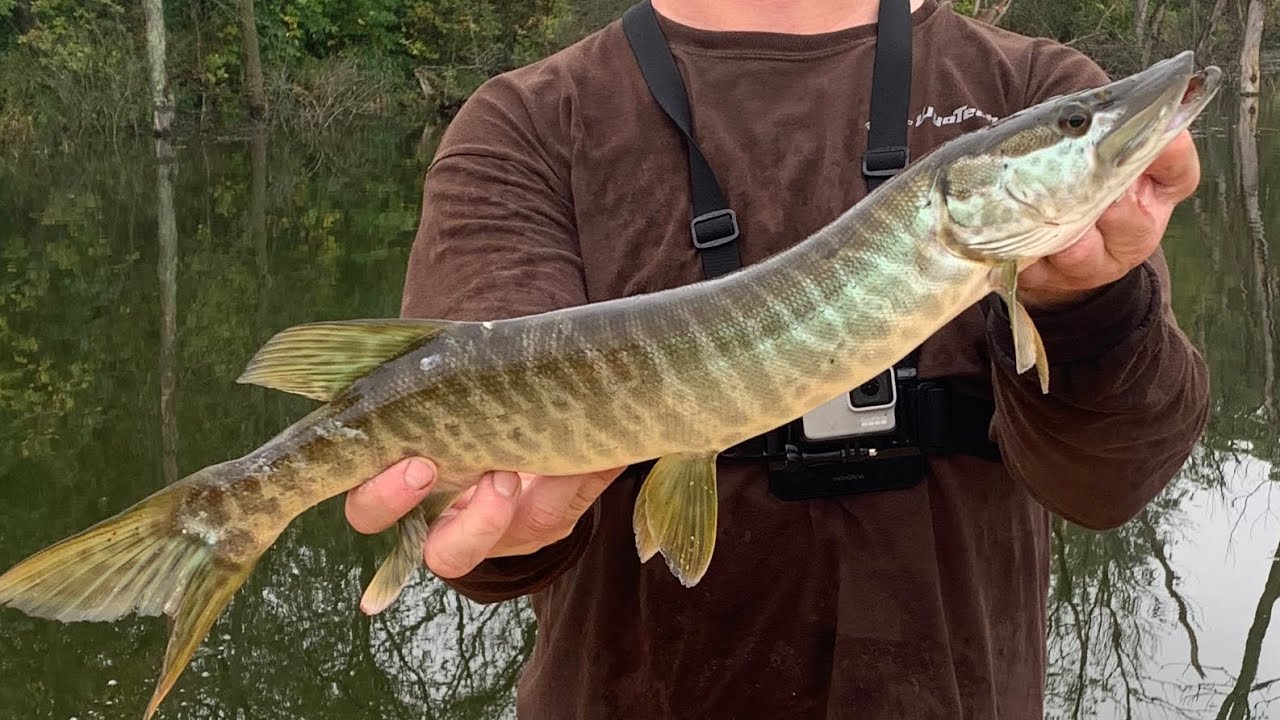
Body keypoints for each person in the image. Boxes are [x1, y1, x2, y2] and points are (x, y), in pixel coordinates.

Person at [345, 0, 1210, 716]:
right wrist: (506, 527)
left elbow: (1113, 481)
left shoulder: (1025, 86)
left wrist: (1084, 303)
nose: (1087, 126)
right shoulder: (531, 125)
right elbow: (482, 508)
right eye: (1074, 130)